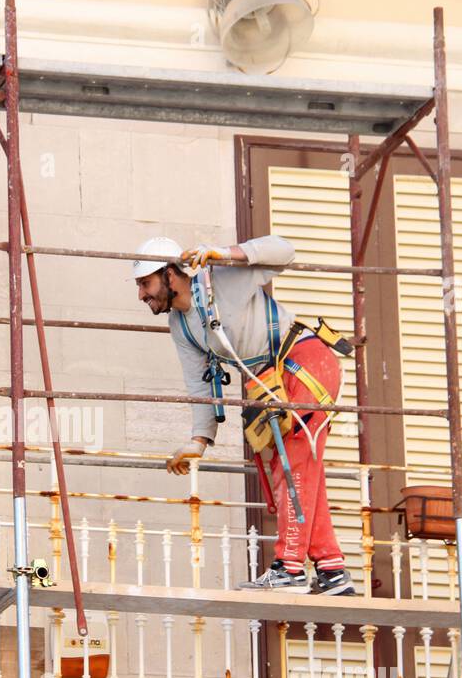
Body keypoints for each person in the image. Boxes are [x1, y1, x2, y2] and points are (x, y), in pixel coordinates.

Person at [131, 234, 354, 596]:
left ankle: (291, 568)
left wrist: (227, 255)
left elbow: (285, 249)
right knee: (297, 466)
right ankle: (332, 570)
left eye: (145, 283)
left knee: (294, 464)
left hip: (304, 361)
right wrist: (198, 442)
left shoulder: (222, 279)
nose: (142, 294)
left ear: (171, 274)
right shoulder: (181, 325)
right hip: (271, 381)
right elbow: (198, 384)